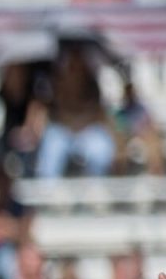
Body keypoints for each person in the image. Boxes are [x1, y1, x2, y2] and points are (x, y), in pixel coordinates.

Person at [36, 42, 116, 180]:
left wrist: (77, 122)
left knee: (101, 146)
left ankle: (96, 190)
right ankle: (47, 190)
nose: (75, 68)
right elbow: (55, 115)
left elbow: (99, 115)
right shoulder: (57, 86)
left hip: (86, 133)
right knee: (52, 143)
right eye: (72, 65)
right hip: (64, 134)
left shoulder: (94, 87)